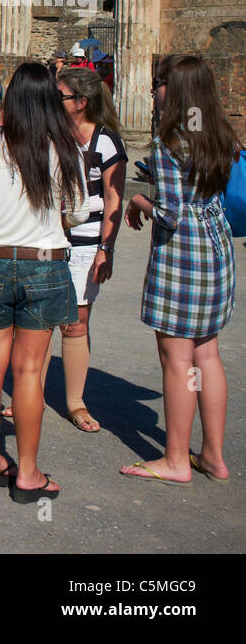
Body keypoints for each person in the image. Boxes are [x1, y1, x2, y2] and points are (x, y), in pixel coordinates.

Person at [0, 62, 87, 503]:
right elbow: (78, 212)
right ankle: (28, 473)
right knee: (29, 371)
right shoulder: (65, 148)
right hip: (44, 263)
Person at [121, 54, 238, 485]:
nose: (154, 89)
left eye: (159, 82)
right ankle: (213, 455)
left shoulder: (169, 142)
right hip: (217, 248)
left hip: (183, 256)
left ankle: (175, 459)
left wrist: (138, 201)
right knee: (207, 352)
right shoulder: (219, 133)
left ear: (178, 89)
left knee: (177, 359)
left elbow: (169, 213)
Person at [36, 66, 126, 433]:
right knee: (39, 321)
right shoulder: (51, 135)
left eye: (60, 97)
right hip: (46, 238)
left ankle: (75, 402)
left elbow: (112, 199)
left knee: (75, 323)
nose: (53, 102)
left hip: (88, 242)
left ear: (81, 102)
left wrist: (107, 248)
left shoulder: (106, 142)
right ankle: (32, 394)